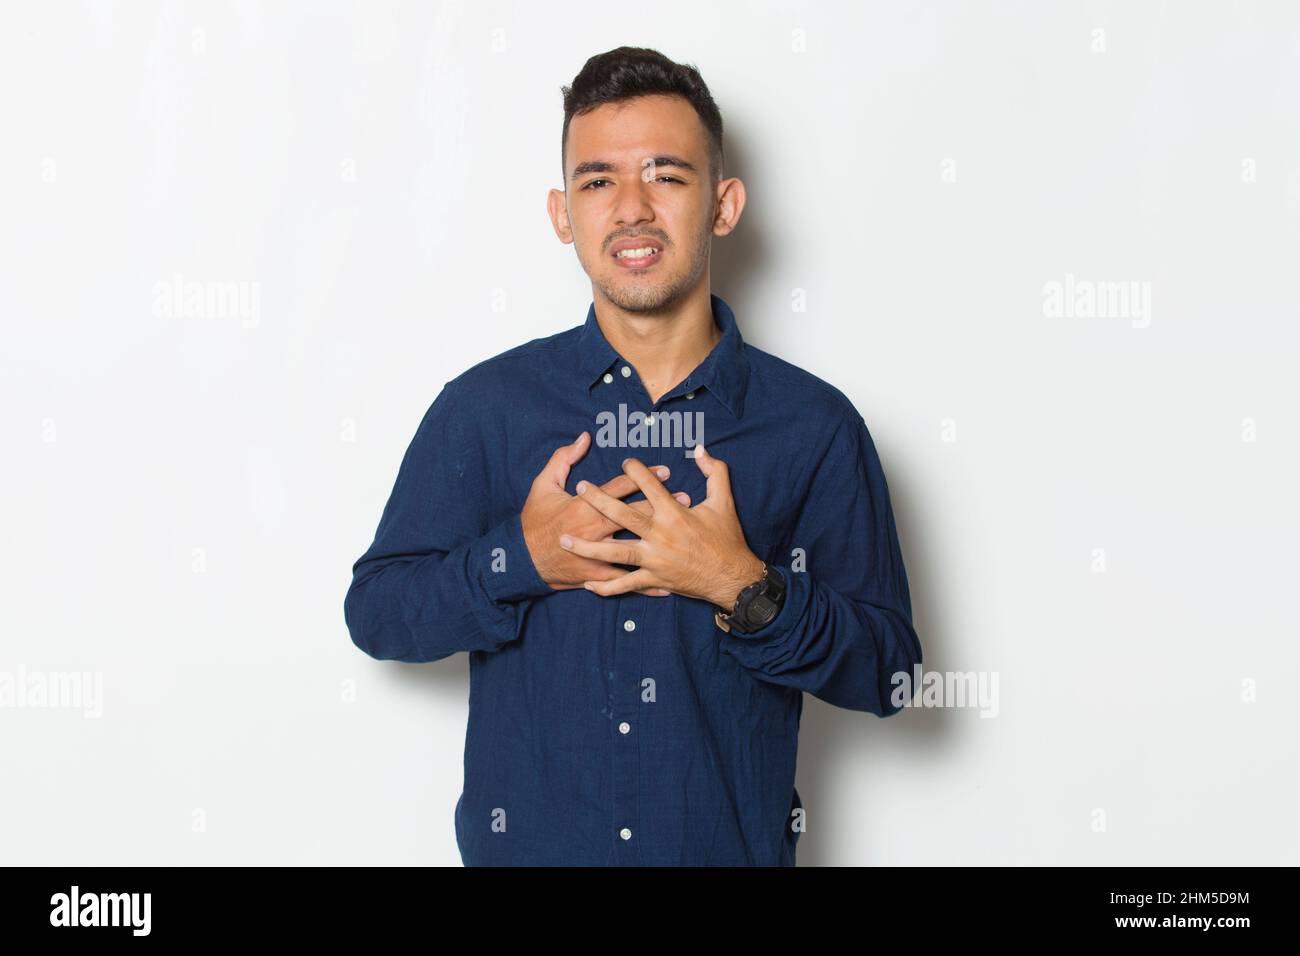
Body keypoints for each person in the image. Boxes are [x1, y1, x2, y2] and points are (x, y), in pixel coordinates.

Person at [344, 45, 922, 866]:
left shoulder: (813, 427)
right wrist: (523, 558)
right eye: (598, 180)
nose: (632, 208)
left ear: (724, 206)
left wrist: (740, 585)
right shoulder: (485, 410)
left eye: (667, 175)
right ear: (562, 213)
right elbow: (376, 613)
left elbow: (890, 675)